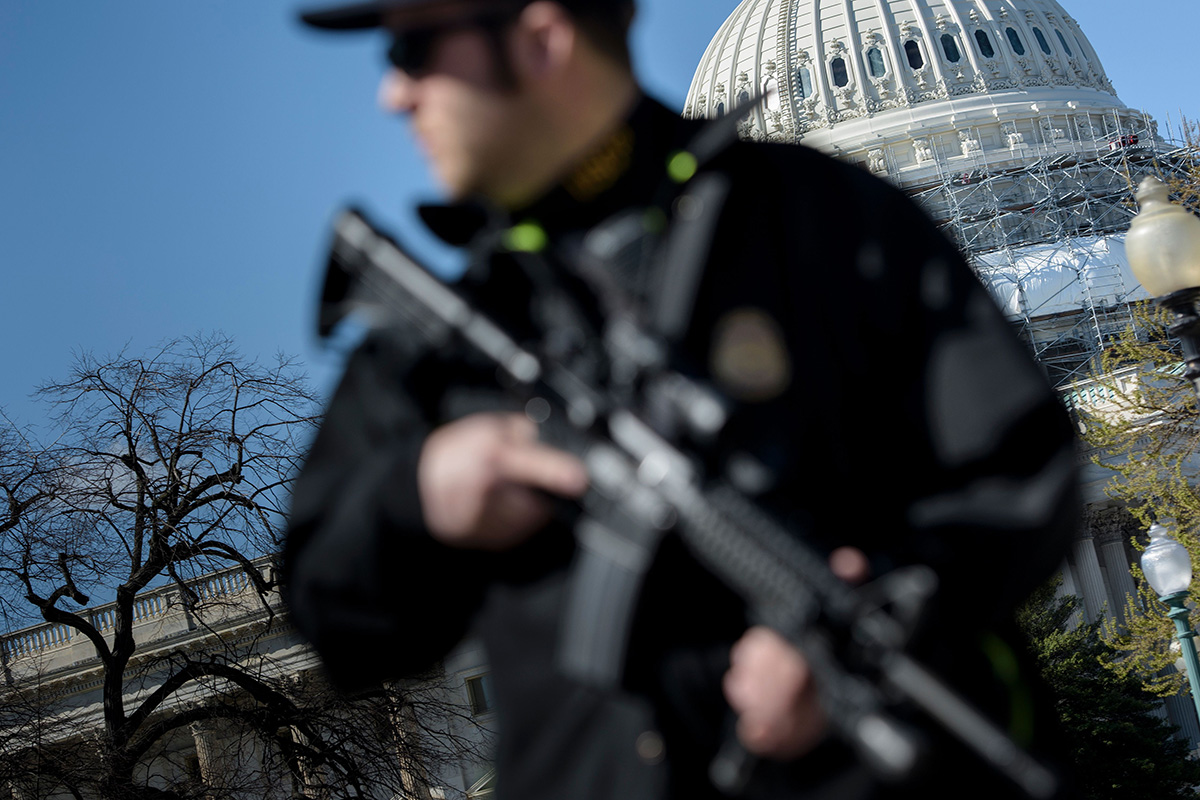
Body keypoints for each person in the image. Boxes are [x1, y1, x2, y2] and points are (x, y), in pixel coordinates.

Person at [282, 1, 1080, 798]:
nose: (394, 92)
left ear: (541, 38)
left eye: (417, 51)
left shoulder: (828, 226)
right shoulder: (437, 348)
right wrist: (417, 498)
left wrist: (889, 605)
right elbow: (331, 619)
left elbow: (1021, 471)